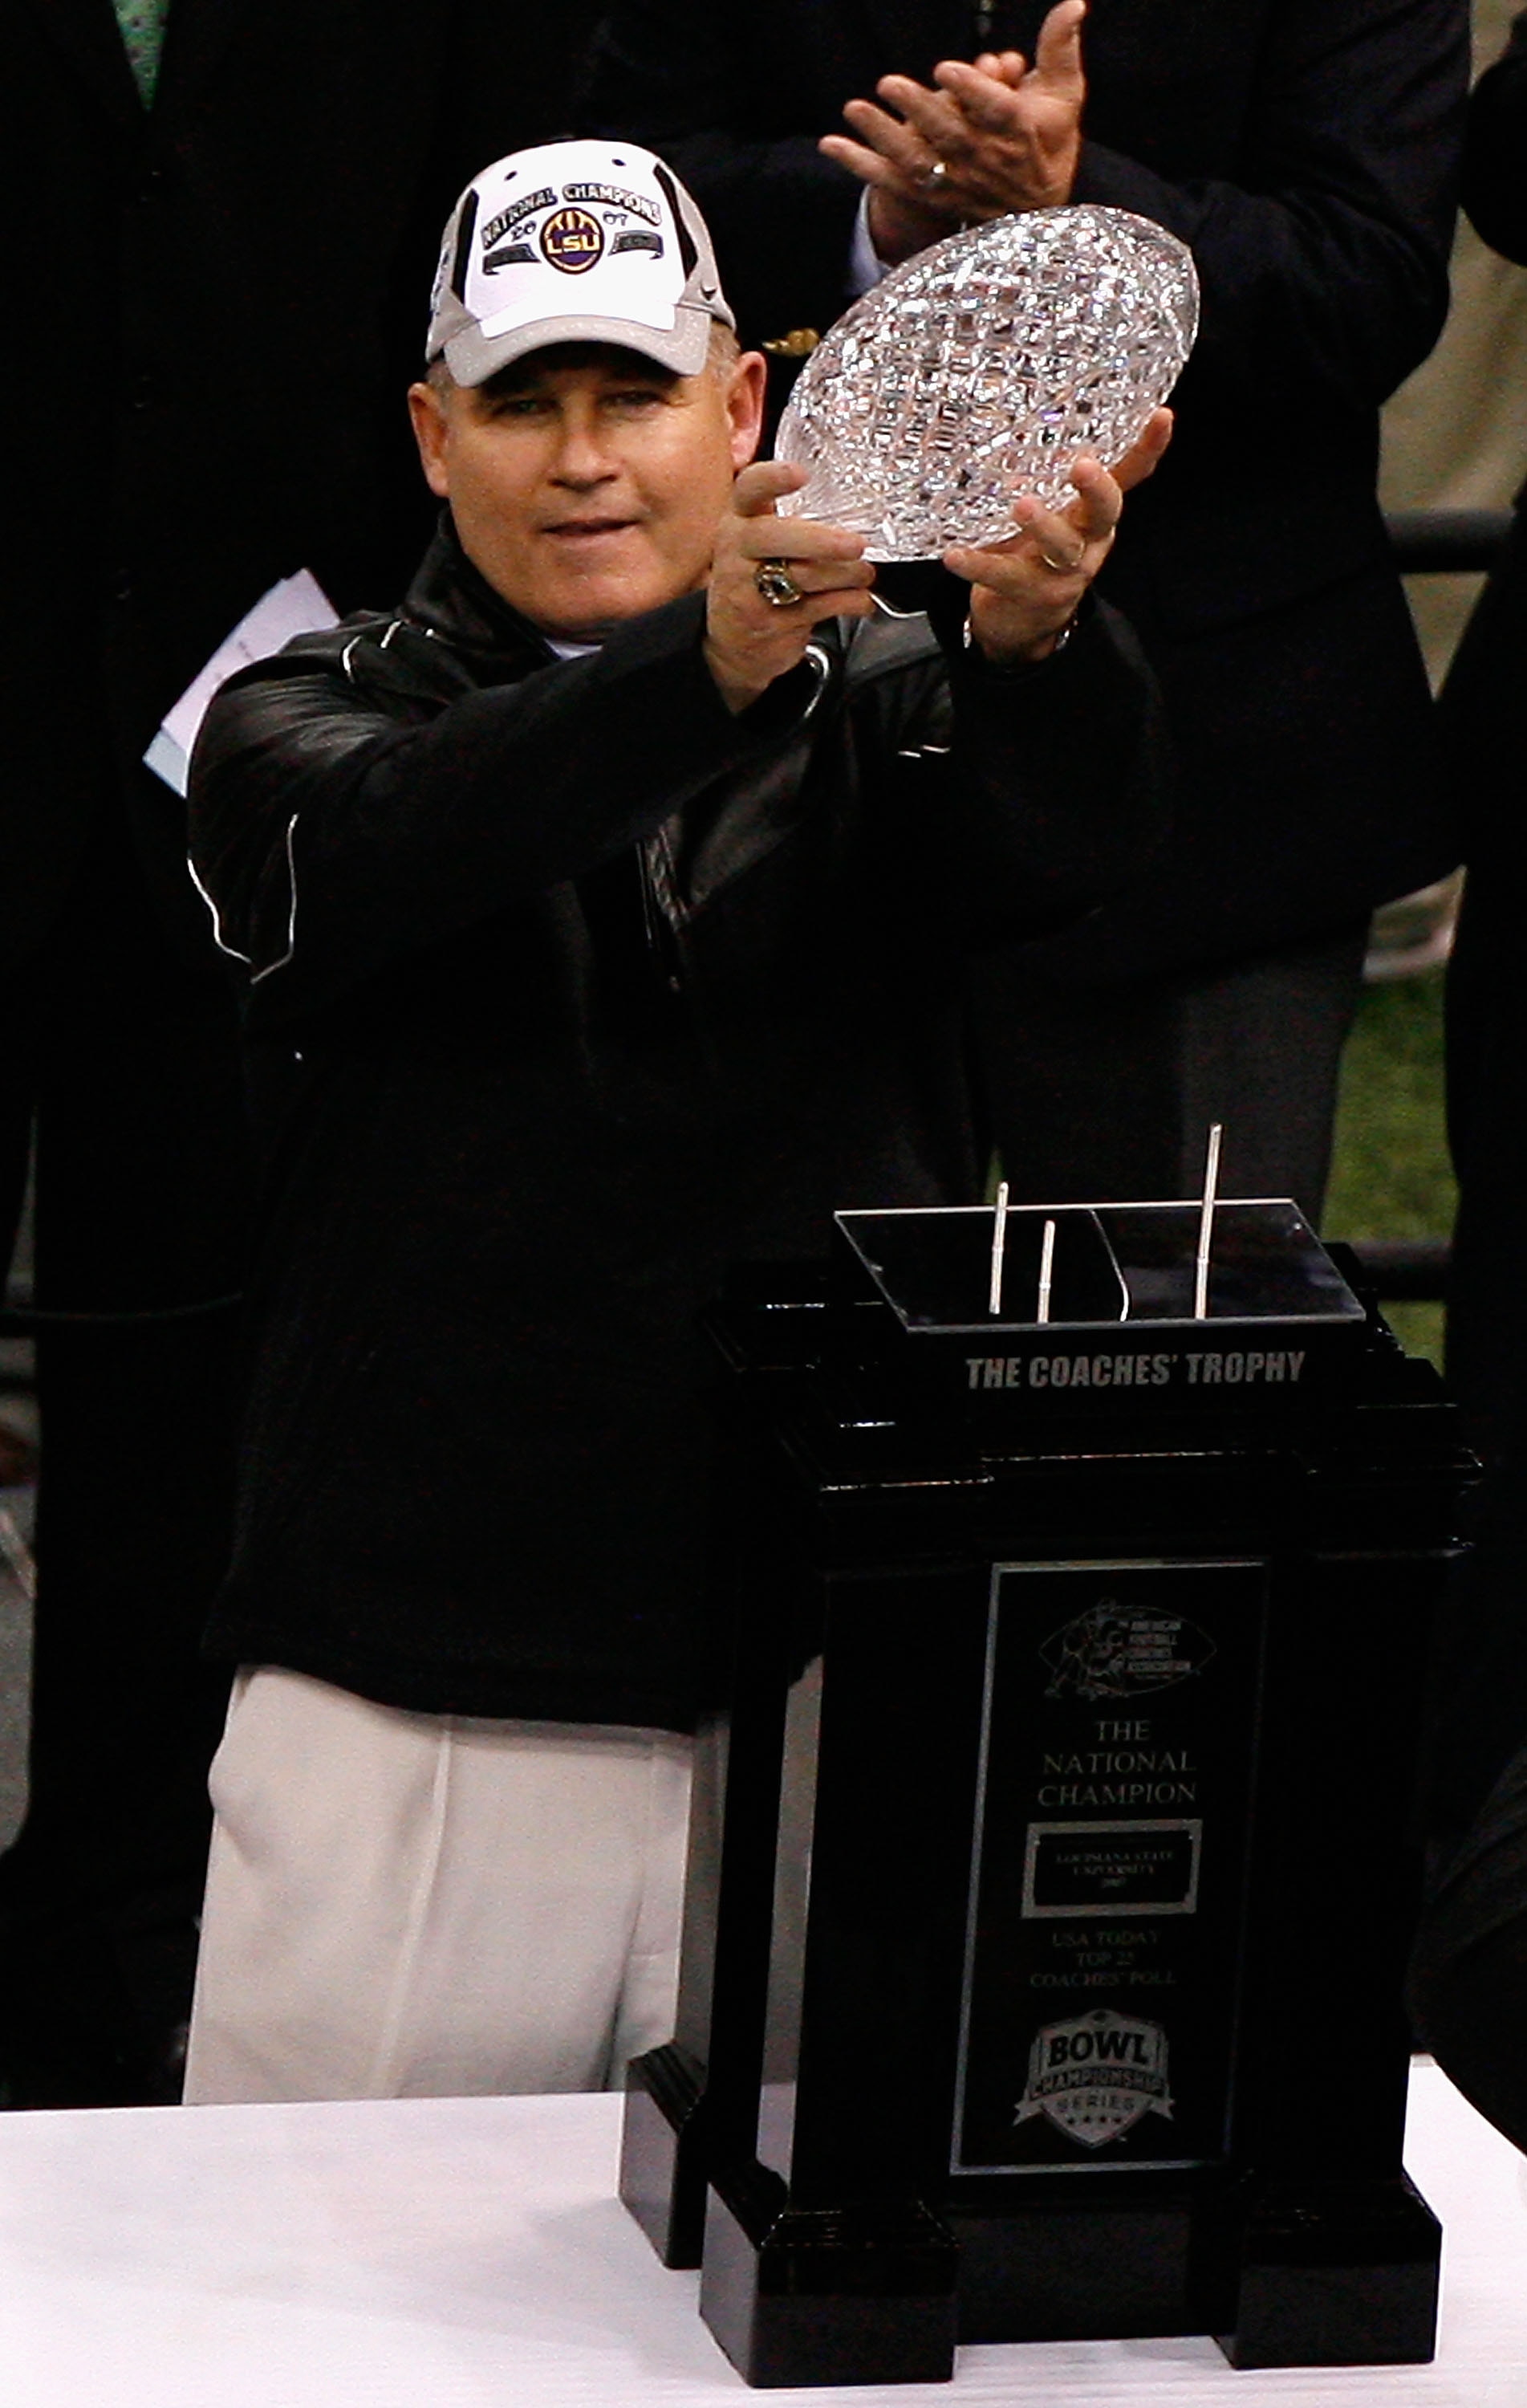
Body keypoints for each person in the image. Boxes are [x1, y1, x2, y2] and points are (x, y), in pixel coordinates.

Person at [180, 136, 1171, 2105]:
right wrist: (700, 668)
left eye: (631, 395)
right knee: (316, 2282)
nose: (582, 461)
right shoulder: (290, 714)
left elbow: (1072, 853)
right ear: (430, 437)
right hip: (412, 1704)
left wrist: (1048, 650)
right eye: (519, 404)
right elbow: (401, 840)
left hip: (816, 1679)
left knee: (810, 2281)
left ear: (739, 411)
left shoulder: (906, 703)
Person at [0, 0, 593, 2105]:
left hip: (259, 737)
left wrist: (357, 673)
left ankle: (116, 1977)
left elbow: (503, 222)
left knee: (186, 1401)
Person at [585, 0, 1466, 1215]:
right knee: (773, 1312)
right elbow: (618, 194)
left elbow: (1369, 282)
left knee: (1168, 1322)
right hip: (779, 794)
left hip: (1212, 780)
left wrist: (1073, 203)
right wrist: (877, 219)